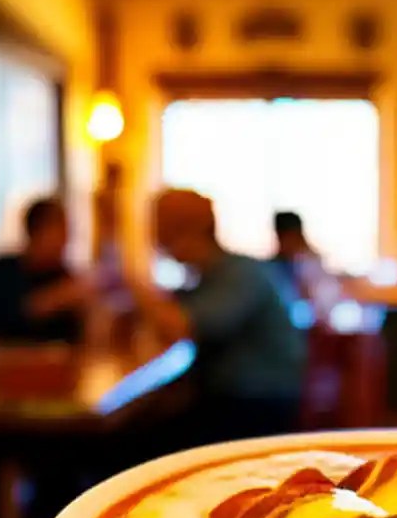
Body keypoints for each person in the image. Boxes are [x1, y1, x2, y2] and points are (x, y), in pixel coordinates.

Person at [125, 189, 305, 442]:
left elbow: (180, 327)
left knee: (137, 440)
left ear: (184, 231)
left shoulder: (240, 274)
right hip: (234, 398)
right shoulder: (212, 276)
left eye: (159, 230)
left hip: (255, 403)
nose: (155, 240)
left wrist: (131, 277)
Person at [0, 197, 87, 343]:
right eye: (61, 230)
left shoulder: (65, 277)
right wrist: (50, 301)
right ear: (36, 231)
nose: (66, 240)